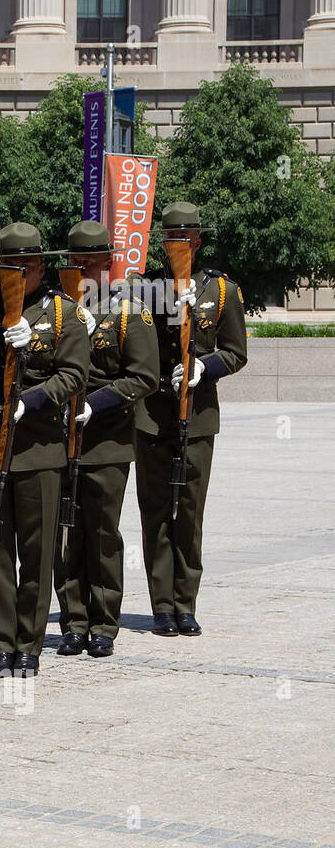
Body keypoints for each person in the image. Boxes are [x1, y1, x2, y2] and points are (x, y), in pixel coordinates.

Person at [0, 223, 88, 676]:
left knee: (36, 549)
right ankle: (1, 642)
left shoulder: (62, 313)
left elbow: (74, 375)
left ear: (41, 266)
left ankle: (29, 644)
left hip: (38, 445)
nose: (20, 273)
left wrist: (29, 400)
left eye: (28, 265)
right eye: (11, 265)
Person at [134, 202, 248, 636]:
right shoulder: (145, 289)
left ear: (197, 242)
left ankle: (187, 602)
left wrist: (203, 367)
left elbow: (236, 352)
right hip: (153, 413)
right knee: (156, 511)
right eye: (169, 240)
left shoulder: (220, 291)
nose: (175, 247)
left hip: (197, 416)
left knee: (190, 512)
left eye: (183, 240)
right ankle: (162, 604)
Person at [52, 221, 158, 658]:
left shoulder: (129, 310)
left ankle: (103, 622)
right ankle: (73, 619)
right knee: (67, 530)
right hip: (59, 438)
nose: (84, 268)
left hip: (107, 439)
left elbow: (144, 376)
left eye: (92, 261)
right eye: (77, 261)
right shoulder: (57, 311)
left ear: (108, 262)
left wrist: (97, 403)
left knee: (101, 530)